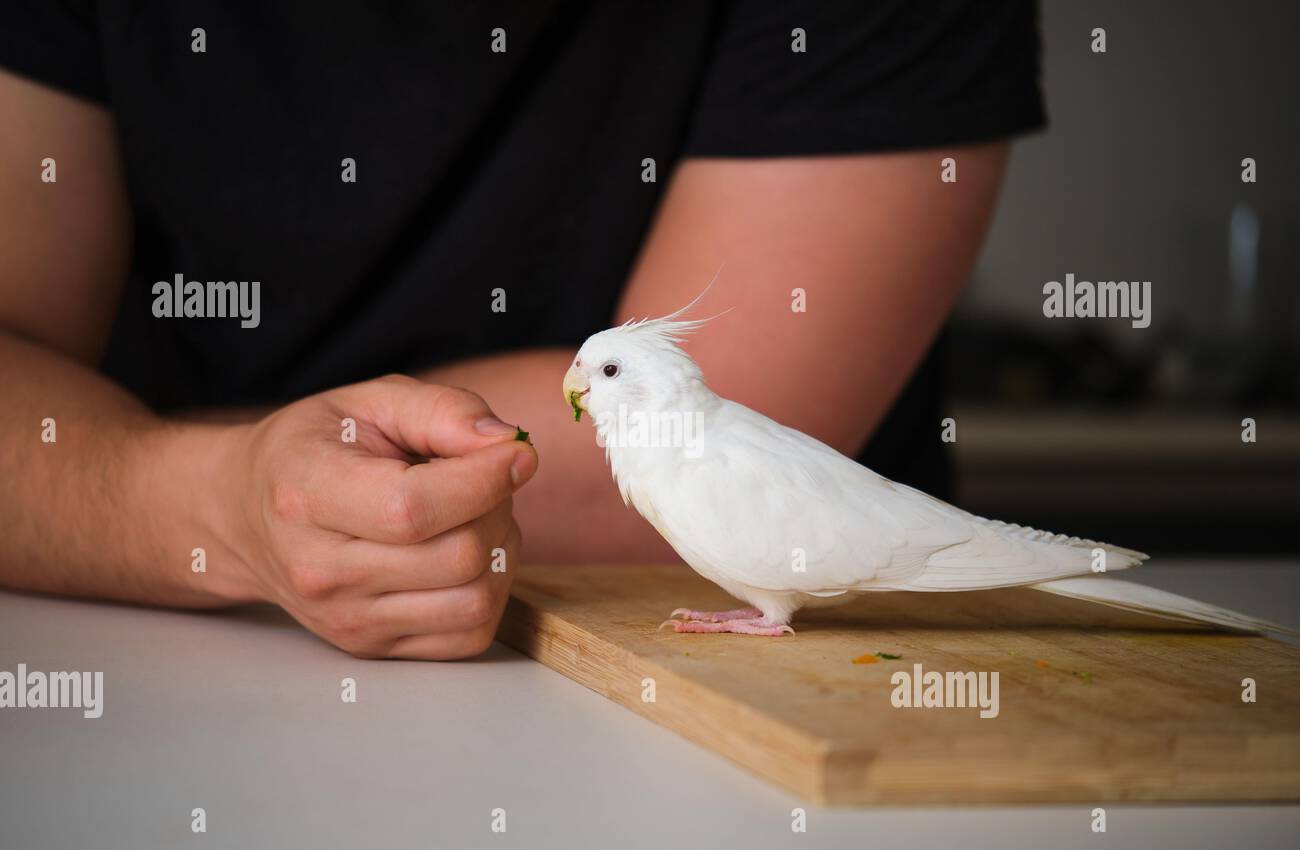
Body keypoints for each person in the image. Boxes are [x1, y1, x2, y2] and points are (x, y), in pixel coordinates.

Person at [0, 1, 1045, 658]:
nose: (585, 394)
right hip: (166, 644)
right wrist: (218, 497)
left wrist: (268, 494)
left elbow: (691, 461)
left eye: (602, 373)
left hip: (824, 686)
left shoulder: (711, 445)